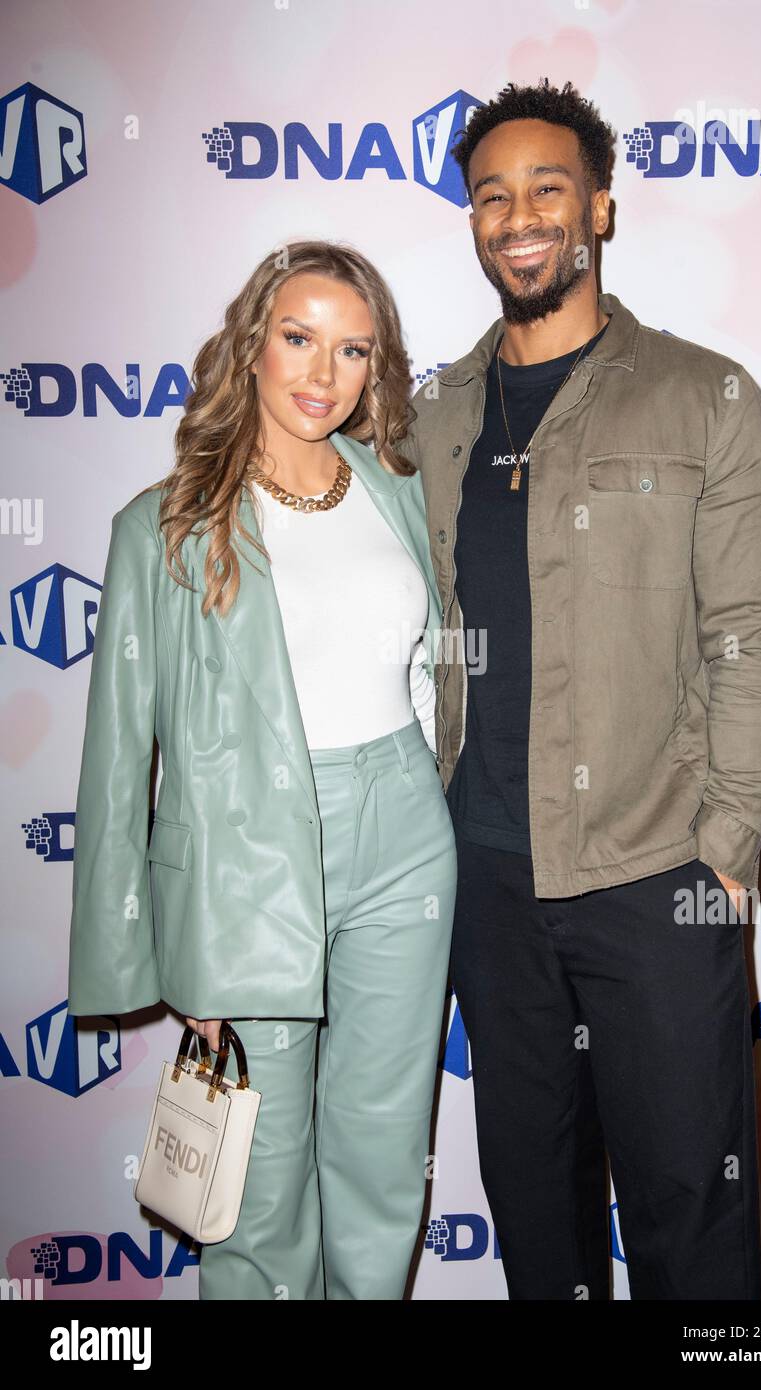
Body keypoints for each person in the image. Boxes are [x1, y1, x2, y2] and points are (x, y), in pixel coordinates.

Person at [402, 80, 761, 1300]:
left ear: (600, 208)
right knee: (536, 1221)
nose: (517, 216)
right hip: (488, 882)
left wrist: (723, 849)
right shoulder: (430, 414)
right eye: (491, 195)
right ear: (471, 220)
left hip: (654, 876)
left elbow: (751, 634)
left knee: (695, 1223)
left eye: (546, 188)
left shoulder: (703, 396)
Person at [67, 240, 457, 1300]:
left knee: (381, 1160)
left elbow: (426, 681)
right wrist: (157, 946)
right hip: (246, 867)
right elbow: (118, 765)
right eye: (297, 338)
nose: (321, 374)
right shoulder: (165, 527)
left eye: (351, 351)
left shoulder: (395, 495)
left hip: (401, 836)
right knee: (257, 1186)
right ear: (251, 344)